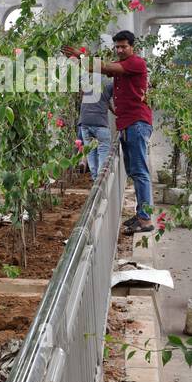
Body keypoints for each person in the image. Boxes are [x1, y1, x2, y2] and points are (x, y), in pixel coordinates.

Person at [65, 30, 153, 233]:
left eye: (124, 46)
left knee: (139, 172)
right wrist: (78, 59)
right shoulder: (122, 67)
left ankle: (146, 220)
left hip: (136, 124)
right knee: (134, 171)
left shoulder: (135, 63)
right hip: (128, 125)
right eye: (117, 47)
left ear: (133, 47)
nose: (120, 50)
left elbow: (103, 66)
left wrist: (81, 56)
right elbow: (100, 69)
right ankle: (141, 215)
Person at [76, 77, 114, 180]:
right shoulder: (110, 83)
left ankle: (94, 178)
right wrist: (116, 112)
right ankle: (100, 180)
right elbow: (110, 100)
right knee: (103, 150)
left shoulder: (88, 80)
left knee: (90, 151)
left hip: (85, 121)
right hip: (100, 122)